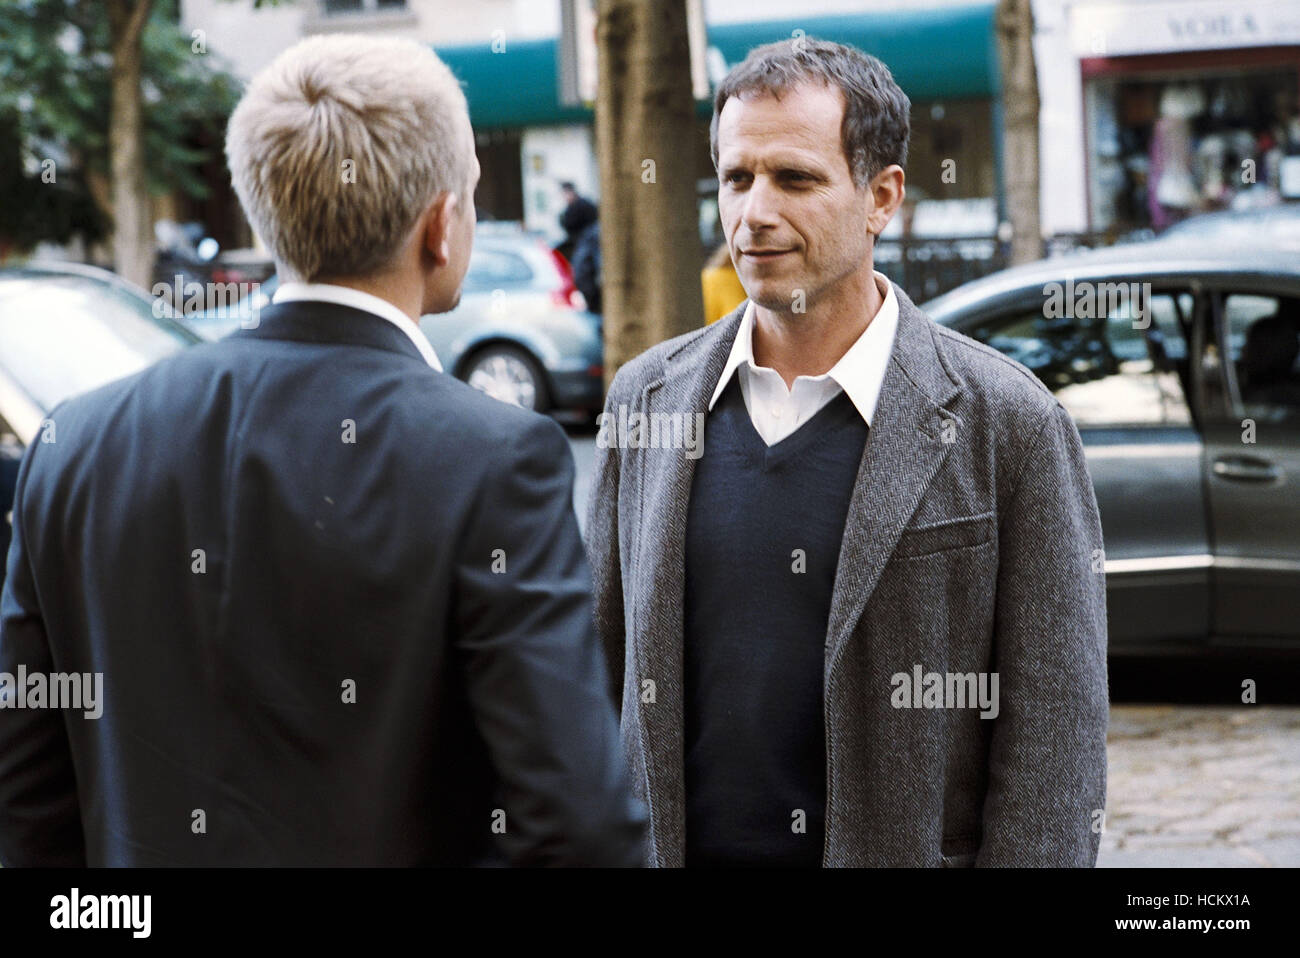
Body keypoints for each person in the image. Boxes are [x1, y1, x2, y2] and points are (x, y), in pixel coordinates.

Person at [0, 34, 646, 867]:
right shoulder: (494, 460)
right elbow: (580, 830)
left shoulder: (76, 442)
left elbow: (25, 809)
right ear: (441, 226)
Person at [585, 38, 1108, 867]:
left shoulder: (1012, 424)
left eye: (794, 179)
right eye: (734, 177)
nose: (753, 212)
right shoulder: (646, 401)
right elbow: (597, 678)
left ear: (882, 196)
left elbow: (1056, 745)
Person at [556, 181, 598, 263]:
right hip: (580, 242)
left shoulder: (582, 205)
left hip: (586, 241)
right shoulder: (571, 207)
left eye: (565, 193)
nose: (564, 197)